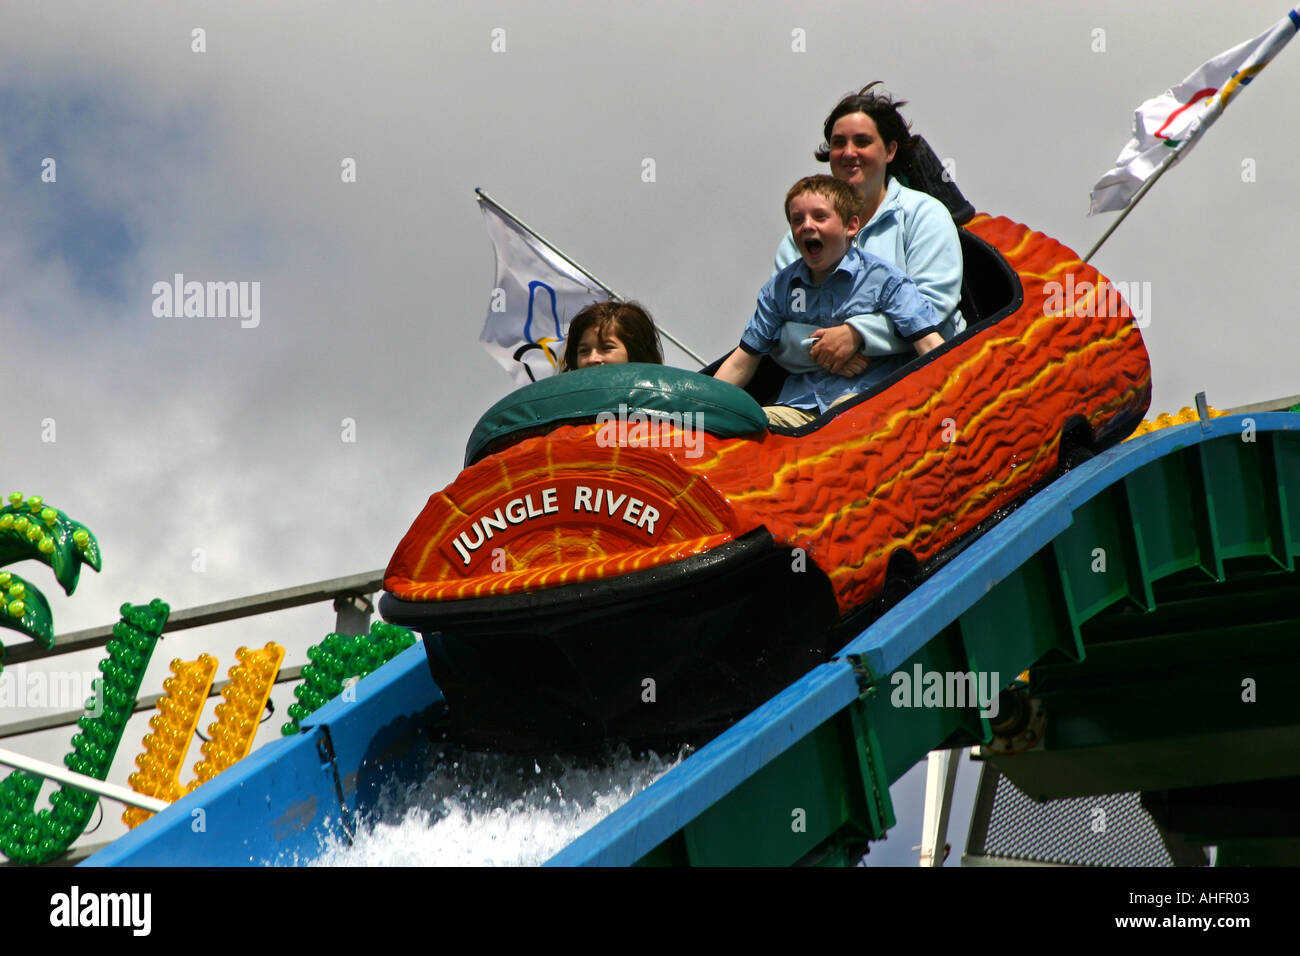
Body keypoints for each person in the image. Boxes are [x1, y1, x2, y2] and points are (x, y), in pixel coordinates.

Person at [771, 83, 965, 382]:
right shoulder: (799, 240)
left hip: (909, 393)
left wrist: (858, 335)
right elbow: (779, 329)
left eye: (862, 141)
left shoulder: (923, 216)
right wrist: (830, 348)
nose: (849, 153)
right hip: (809, 402)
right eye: (839, 143)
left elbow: (932, 307)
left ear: (889, 150)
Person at [715, 176, 944, 427]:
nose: (807, 226)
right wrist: (701, 409)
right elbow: (741, 361)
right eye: (797, 219)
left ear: (851, 226)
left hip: (869, 402)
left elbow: (930, 343)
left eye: (820, 217)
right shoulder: (780, 289)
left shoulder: (883, 279)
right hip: (801, 404)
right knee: (753, 425)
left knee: (843, 418)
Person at [561, 300, 664, 371]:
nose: (592, 358)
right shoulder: (564, 402)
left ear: (636, 353)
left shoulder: (633, 403)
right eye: (584, 351)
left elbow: (625, 403)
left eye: (607, 347)